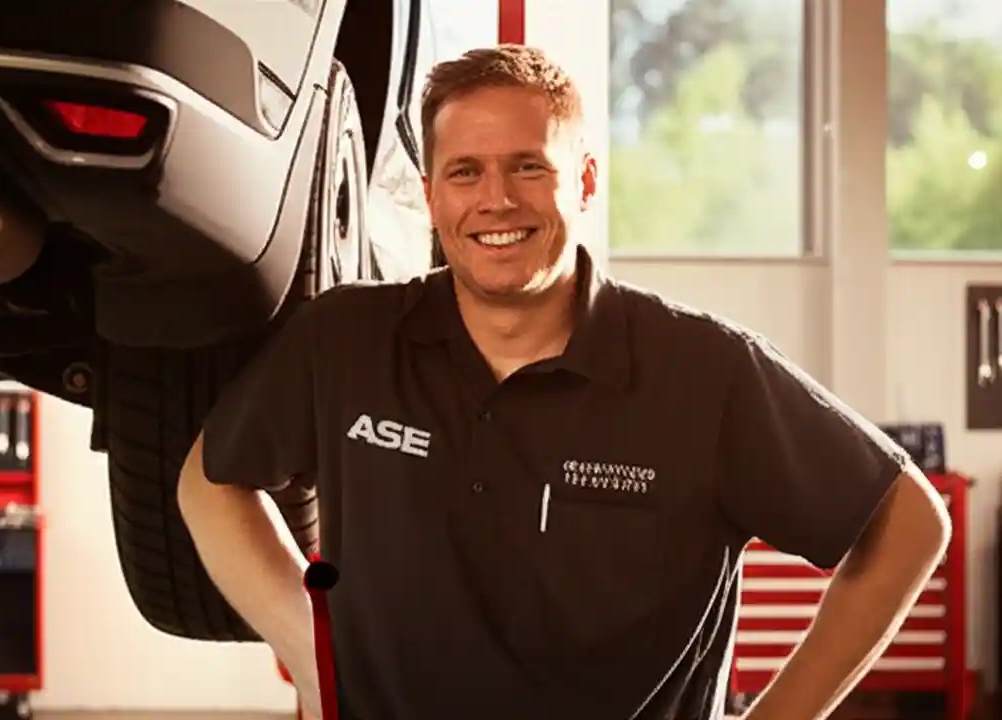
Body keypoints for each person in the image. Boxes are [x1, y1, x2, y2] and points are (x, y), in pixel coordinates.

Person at [177, 44, 952, 719]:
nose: (496, 201)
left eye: (528, 167)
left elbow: (909, 521)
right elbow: (210, 482)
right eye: (465, 172)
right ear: (431, 192)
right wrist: (307, 645)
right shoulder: (346, 341)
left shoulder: (701, 371)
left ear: (582, 179)